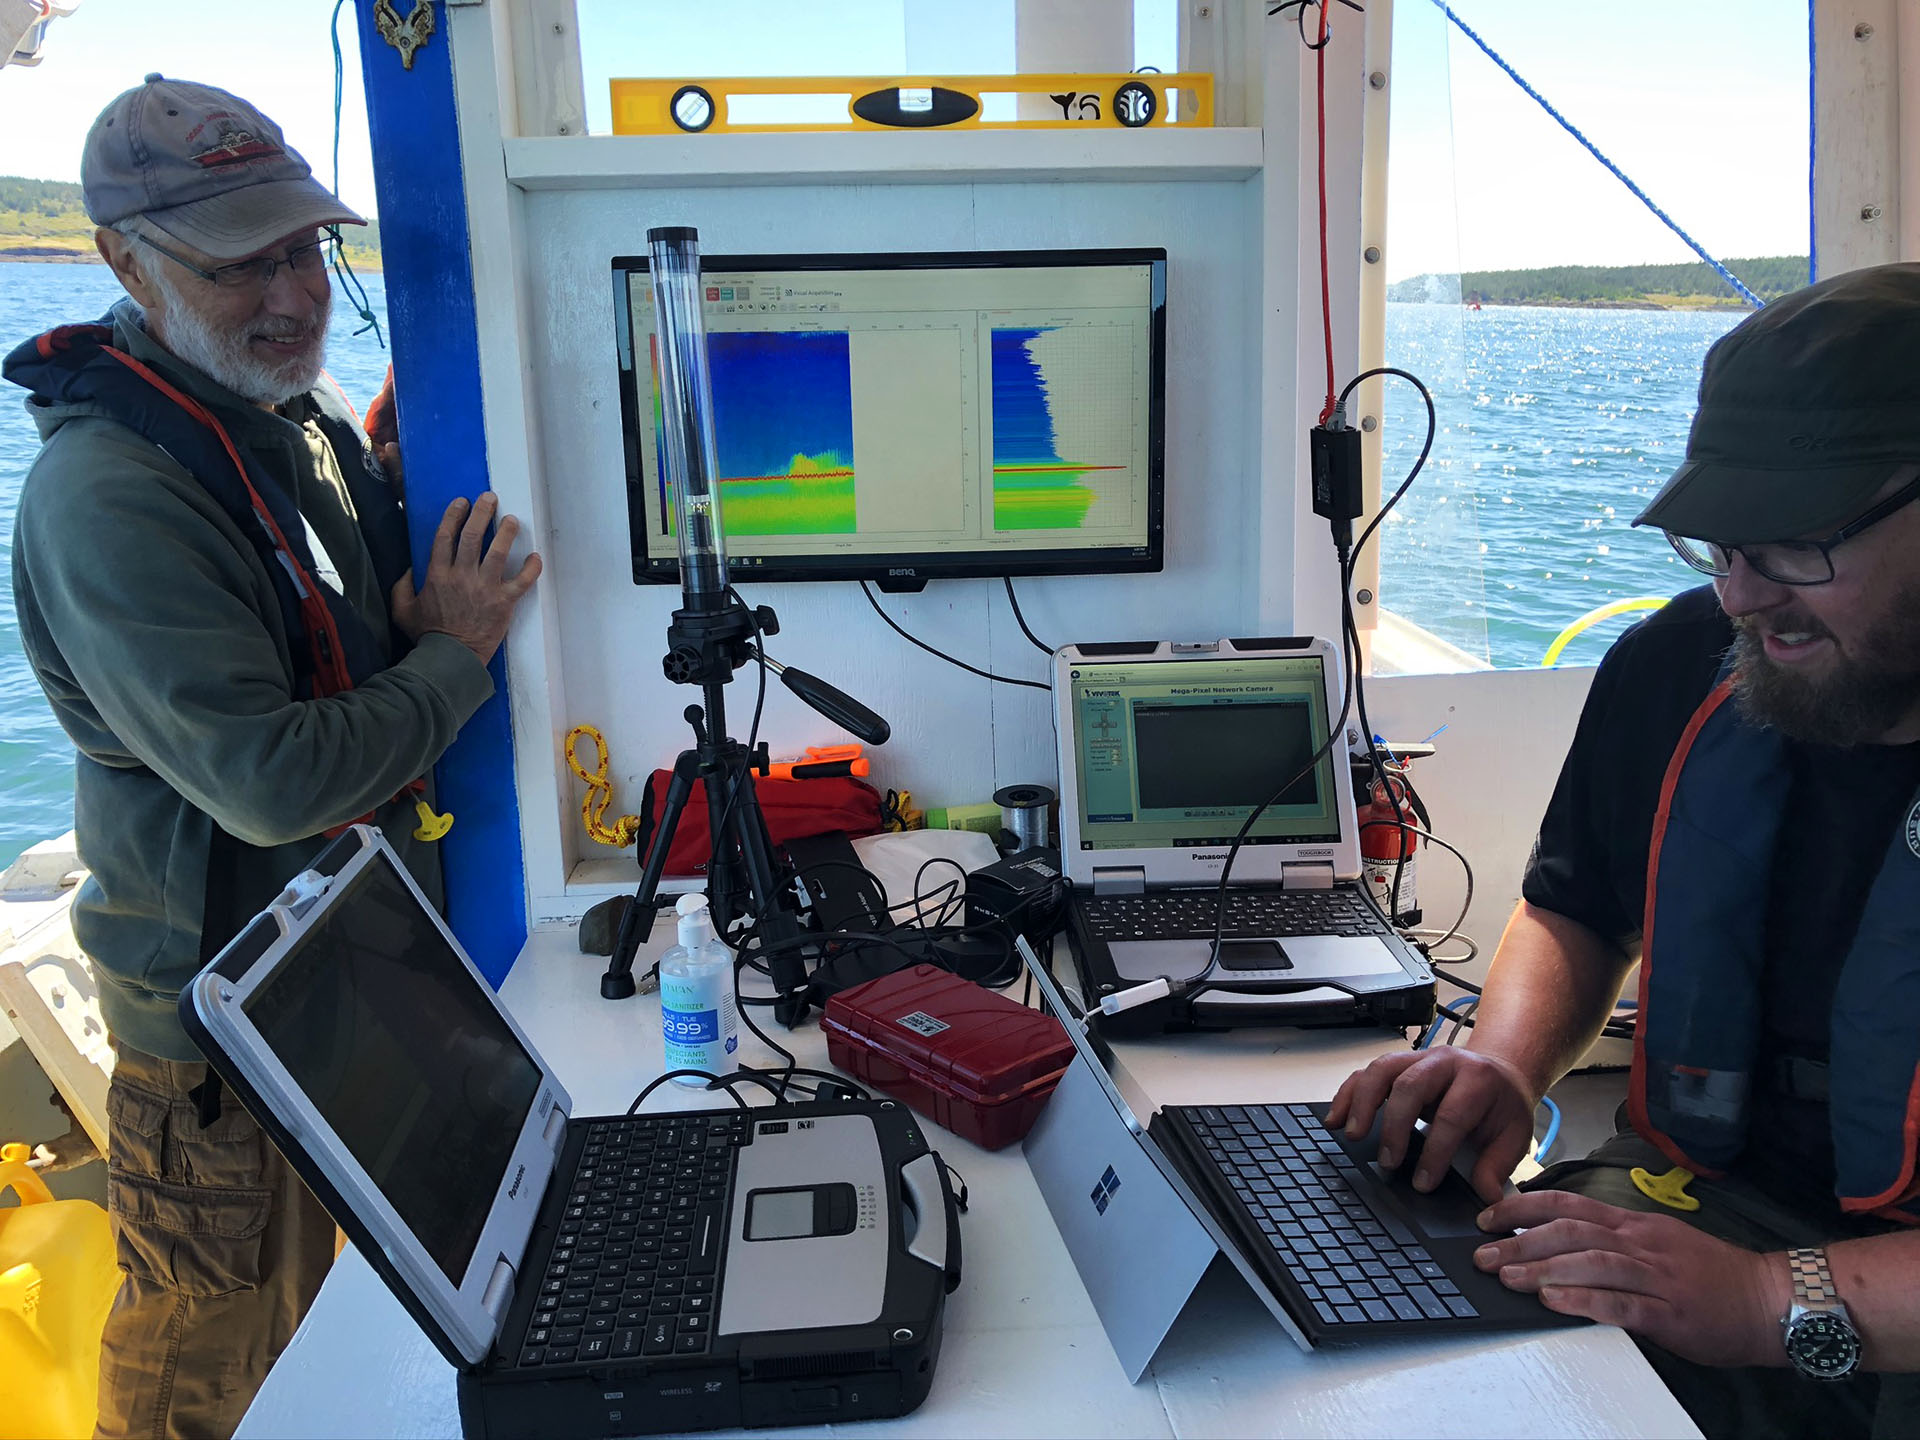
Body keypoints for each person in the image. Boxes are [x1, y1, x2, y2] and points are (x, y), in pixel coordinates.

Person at [4, 76, 541, 1438]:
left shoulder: (281, 418)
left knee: (323, 1359)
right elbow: (276, 778)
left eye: (304, 248)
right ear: (123, 259)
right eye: (241, 263)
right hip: (219, 1050)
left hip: (335, 984)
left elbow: (342, 610)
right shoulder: (110, 496)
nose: (292, 293)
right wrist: (454, 657)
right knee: (220, 1375)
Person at [1330, 262, 1920, 1439]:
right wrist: (1500, 1066)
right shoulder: (1682, 664)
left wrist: (1767, 1299)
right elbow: (1576, 907)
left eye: (1796, 545)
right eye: (1720, 545)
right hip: (1698, 1195)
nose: (1747, 597)